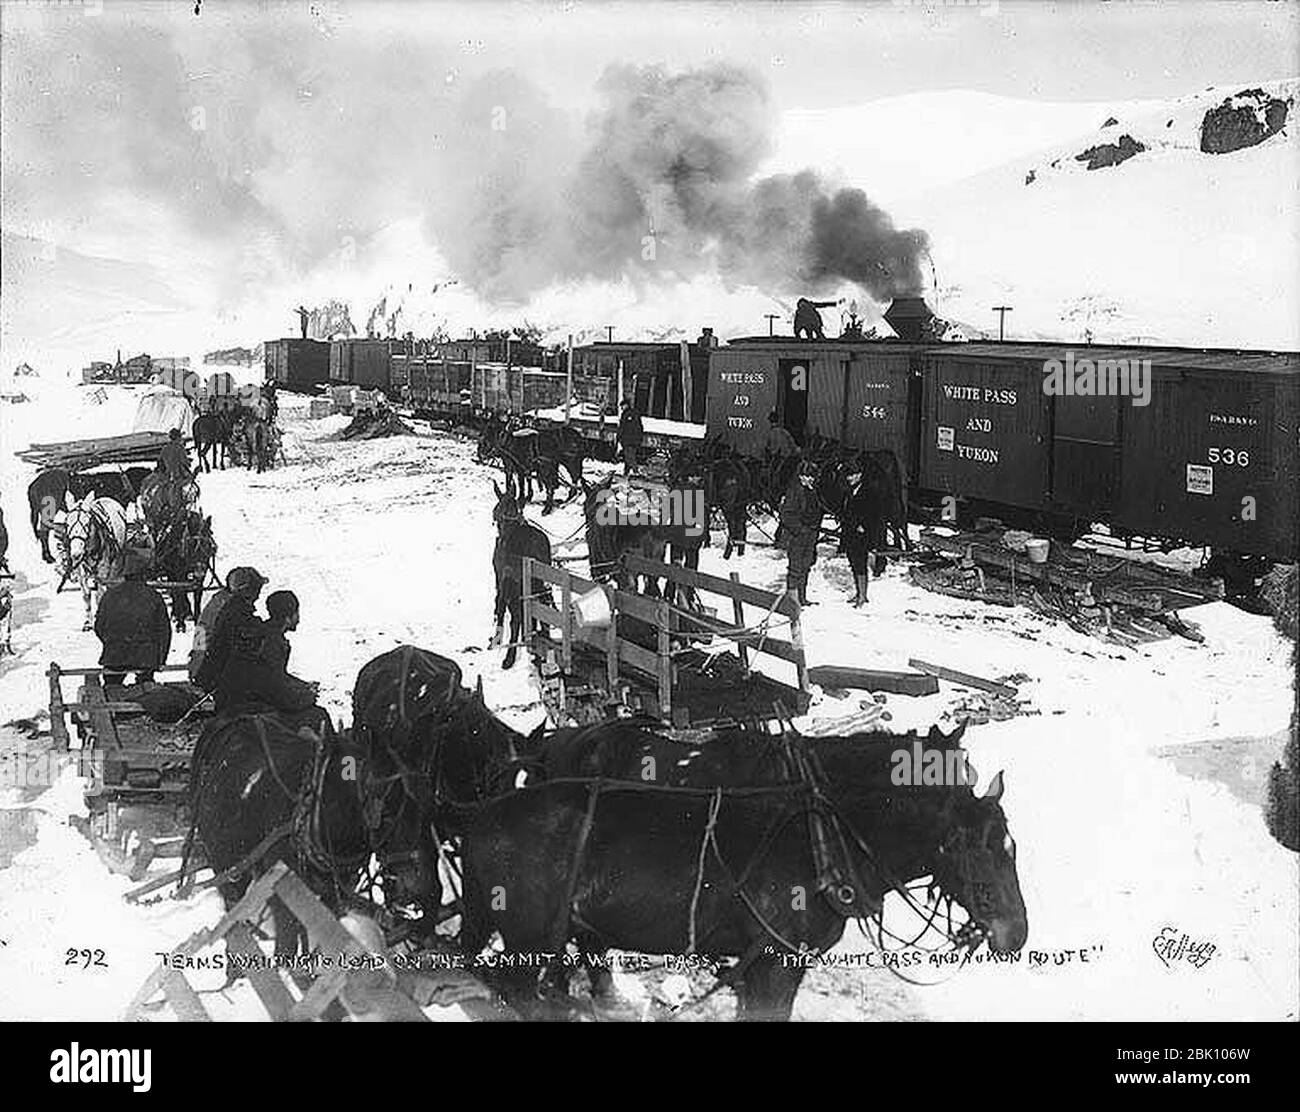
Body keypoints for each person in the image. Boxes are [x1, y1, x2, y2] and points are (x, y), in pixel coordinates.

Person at [94, 552, 172, 687]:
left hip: (114, 655)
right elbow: (164, 631)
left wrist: (112, 643)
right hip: (146, 658)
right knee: (146, 686)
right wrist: (159, 659)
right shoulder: (154, 596)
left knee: (111, 686)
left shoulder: (109, 595)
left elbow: (99, 627)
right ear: (144, 574)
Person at [193, 566, 267, 707]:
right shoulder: (232, 609)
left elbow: (200, 634)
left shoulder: (218, 602)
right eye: (257, 590)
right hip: (212, 672)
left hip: (202, 667)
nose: (258, 596)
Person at [779, 460, 824, 607]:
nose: (809, 479)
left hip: (811, 534)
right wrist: (799, 529)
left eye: (811, 476)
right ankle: (792, 601)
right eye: (806, 476)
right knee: (795, 568)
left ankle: (802, 597)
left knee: (806, 565)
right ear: (800, 476)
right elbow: (786, 515)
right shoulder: (794, 491)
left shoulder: (812, 490)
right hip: (797, 536)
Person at [617, 400, 644, 474]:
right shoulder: (629, 413)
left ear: (626, 405)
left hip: (630, 440)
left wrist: (620, 437)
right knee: (627, 456)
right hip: (630, 440)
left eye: (622, 406)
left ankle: (636, 471)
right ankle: (626, 472)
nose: (622, 408)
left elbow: (625, 428)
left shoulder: (630, 414)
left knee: (630, 457)